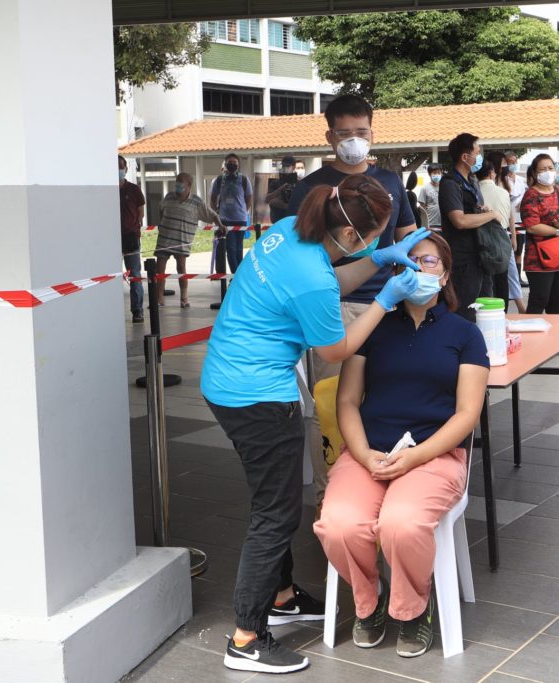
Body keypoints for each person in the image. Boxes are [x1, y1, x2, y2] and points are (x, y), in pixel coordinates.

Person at [201, 175, 430, 675]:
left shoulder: (288, 230)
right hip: (258, 398)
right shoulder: (312, 276)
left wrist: (381, 257)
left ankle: (281, 597)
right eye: (373, 238)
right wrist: (385, 299)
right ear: (351, 234)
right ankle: (245, 638)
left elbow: (331, 278)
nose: (374, 243)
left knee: (272, 499)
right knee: (275, 514)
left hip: (225, 377)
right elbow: (336, 349)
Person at [315, 232, 489, 659]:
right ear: (396, 269)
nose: (417, 268)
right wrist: (361, 453)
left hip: (433, 454)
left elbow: (467, 415)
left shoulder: (465, 334)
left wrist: (416, 455)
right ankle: (367, 604)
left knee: (402, 523)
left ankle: (413, 610)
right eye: (409, 261)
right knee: (338, 523)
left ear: (445, 272)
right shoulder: (374, 330)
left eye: (428, 261)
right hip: (369, 451)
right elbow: (348, 401)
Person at [285, 94, 418, 504]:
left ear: (373, 133)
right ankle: (333, 494)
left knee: (384, 395)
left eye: (361, 132)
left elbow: (408, 239)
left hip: (387, 306)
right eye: (345, 134)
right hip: (333, 309)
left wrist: (413, 284)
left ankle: (381, 481)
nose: (354, 141)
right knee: (332, 400)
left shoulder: (392, 183)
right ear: (329, 136)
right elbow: (297, 255)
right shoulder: (310, 189)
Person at [439, 132, 497, 319]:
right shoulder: (450, 183)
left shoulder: (472, 181)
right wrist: (491, 215)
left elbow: (473, 212)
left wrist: (482, 210)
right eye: (477, 152)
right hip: (463, 258)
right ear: (465, 157)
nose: (479, 157)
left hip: (480, 253)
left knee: (485, 307)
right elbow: (460, 220)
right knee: (466, 308)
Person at [521, 154, 559, 315]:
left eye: (551, 168)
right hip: (538, 260)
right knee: (539, 300)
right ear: (534, 173)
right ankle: (531, 338)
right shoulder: (531, 195)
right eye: (543, 169)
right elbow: (531, 226)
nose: (548, 171)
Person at [154, 172, 221, 307]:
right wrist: (161, 224)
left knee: (181, 268)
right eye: (176, 183)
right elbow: (160, 210)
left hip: (182, 241)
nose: (177, 186)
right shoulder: (169, 197)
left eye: (180, 184)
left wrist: (221, 225)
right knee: (159, 270)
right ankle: (159, 298)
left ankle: (184, 298)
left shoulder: (196, 202)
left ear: (189, 185)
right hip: (164, 240)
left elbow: (212, 215)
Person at [477, 151, 524, 312]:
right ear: (493, 170)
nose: (506, 166)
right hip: (501, 235)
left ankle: (499, 309)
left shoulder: (476, 190)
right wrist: (512, 235)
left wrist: (514, 235)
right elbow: (509, 214)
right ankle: (503, 311)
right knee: (503, 275)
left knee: (491, 276)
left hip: (482, 237)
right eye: (504, 163)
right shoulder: (501, 189)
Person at [210, 153, 254, 275]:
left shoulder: (244, 180)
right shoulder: (219, 180)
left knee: (239, 249)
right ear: (225, 164)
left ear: (238, 165)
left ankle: (239, 275)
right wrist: (215, 213)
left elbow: (249, 198)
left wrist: (244, 210)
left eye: (234, 163)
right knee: (230, 248)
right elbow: (212, 198)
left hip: (240, 219)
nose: (232, 164)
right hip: (225, 220)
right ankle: (236, 276)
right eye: (229, 162)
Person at [119, 156, 146, 323]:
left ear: (126, 169)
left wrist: (135, 228)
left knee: (134, 274)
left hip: (130, 237)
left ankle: (137, 310)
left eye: (120, 167)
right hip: (110, 239)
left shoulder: (134, 190)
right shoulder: (106, 189)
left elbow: (140, 212)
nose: (118, 170)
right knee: (111, 276)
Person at [505, 152, 528, 287]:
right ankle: (509, 279)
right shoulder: (502, 180)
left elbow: (525, 197)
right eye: (510, 162)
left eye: (514, 162)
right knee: (509, 252)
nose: (513, 165)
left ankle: (518, 278)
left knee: (519, 250)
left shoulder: (520, 180)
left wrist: (522, 204)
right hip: (508, 221)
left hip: (519, 219)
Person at [265, 155, 299, 224]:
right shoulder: (275, 182)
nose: (285, 168)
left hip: (293, 219)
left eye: (287, 166)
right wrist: (280, 189)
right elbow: (267, 200)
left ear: (293, 167)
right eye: (283, 166)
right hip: (278, 219)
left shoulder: (299, 183)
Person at [418, 163, 443, 231]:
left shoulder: (445, 187)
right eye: (434, 173)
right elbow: (422, 207)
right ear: (429, 174)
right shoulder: (425, 188)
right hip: (431, 224)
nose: (437, 175)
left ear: (441, 173)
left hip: (444, 224)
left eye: (438, 173)